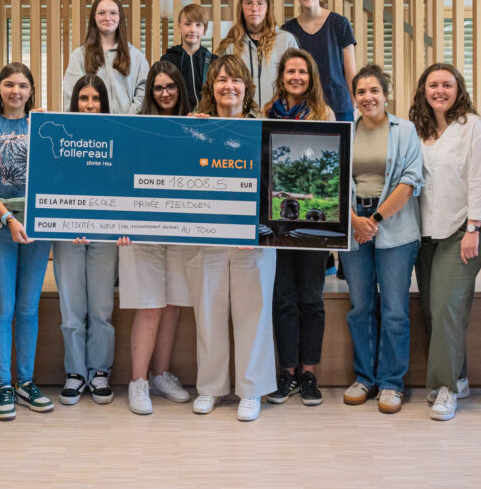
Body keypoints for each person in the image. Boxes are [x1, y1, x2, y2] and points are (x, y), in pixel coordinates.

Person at [185, 54, 277, 422]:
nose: (229, 86)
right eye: (221, 80)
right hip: (206, 236)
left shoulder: (264, 128)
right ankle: (210, 388)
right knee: (208, 313)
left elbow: (274, 184)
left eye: (235, 80)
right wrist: (190, 136)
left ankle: (251, 390)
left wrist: (259, 225)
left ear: (247, 87)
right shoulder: (194, 127)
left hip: (252, 238)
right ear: (212, 87)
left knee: (253, 312)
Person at [409, 62, 481, 422]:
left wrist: (474, 227)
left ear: (459, 89)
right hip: (424, 232)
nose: (439, 91)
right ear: (423, 90)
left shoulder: (474, 127)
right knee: (436, 309)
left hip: (463, 231)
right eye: (433, 85)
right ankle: (458, 377)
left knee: (447, 307)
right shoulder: (417, 128)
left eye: (447, 84)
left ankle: (444, 388)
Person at [338, 65, 424, 415]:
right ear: (354, 97)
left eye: (374, 90)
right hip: (353, 225)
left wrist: (373, 220)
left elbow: (410, 179)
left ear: (385, 95)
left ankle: (391, 383)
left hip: (395, 228)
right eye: (360, 92)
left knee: (393, 311)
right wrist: (355, 220)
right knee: (360, 308)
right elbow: (335, 179)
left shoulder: (404, 130)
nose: (367, 97)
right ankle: (364, 378)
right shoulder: (347, 130)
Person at [0, 62, 54, 420]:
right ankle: (4, 384)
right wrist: (6, 218)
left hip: (37, 224)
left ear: (32, 90)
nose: (16, 91)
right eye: (9, 84)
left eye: (22, 85)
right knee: (3, 308)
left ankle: (25, 381)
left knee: (28, 308)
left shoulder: (43, 125)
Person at [261, 49, 334, 407]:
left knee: (311, 299)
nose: (296, 77)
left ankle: (309, 374)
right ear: (282, 75)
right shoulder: (266, 112)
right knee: (283, 299)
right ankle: (285, 373)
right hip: (276, 227)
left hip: (315, 226)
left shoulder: (325, 114)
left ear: (311, 76)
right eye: (290, 71)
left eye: (302, 72)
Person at [121, 62, 194, 415]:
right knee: (149, 305)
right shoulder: (137, 129)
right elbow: (121, 175)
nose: (165, 93)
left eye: (171, 86)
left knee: (172, 304)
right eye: (158, 87)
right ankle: (138, 381)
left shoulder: (196, 126)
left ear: (181, 88)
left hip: (182, 231)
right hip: (142, 231)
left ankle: (161, 375)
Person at [53, 75, 120, 406]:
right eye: (83, 98)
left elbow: (123, 186)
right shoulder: (63, 137)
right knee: (71, 307)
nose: (89, 105)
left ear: (103, 103)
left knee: (101, 308)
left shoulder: (116, 138)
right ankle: (75, 372)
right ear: (74, 102)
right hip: (68, 232)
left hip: (105, 233)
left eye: (95, 99)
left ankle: (99, 371)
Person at [281, 0, 358, 122]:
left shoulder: (340, 23)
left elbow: (351, 74)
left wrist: (355, 106)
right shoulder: (287, 31)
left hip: (339, 106)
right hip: (302, 108)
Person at [63, 0, 149, 114]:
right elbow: (71, 97)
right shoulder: (78, 56)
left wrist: (127, 121)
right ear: (94, 17)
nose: (107, 18)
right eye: (101, 13)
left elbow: (143, 95)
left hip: (127, 127)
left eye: (113, 13)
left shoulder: (137, 56)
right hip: (91, 126)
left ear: (120, 17)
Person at [216, 0, 298, 108]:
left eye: (260, 3)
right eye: (248, 3)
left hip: (278, 117)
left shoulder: (287, 40)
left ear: (267, 8)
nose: (254, 8)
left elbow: (297, 82)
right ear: (241, 7)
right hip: (241, 118)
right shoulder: (229, 45)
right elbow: (218, 85)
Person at [160, 3, 213, 110]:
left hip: (206, 118)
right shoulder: (167, 60)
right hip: (177, 119)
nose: (193, 30)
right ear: (179, 27)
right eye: (188, 24)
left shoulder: (214, 61)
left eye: (198, 25)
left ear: (204, 30)